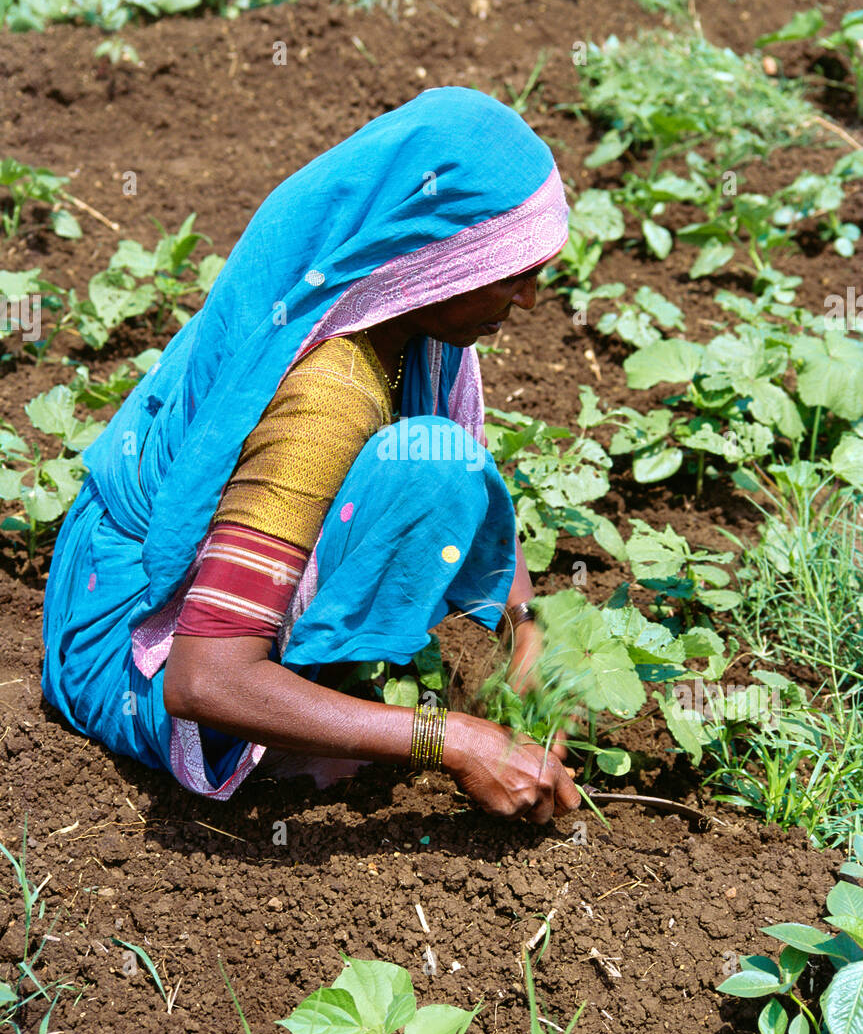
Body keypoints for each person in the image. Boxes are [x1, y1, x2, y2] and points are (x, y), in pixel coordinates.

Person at [42, 86, 580, 824]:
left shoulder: (412, 322)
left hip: (191, 623)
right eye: (512, 273)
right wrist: (449, 739)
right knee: (427, 465)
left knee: (439, 466)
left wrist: (528, 633)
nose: (527, 301)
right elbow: (204, 682)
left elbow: (475, 487)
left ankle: (317, 678)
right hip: (138, 654)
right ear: (437, 261)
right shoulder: (326, 396)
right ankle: (286, 739)